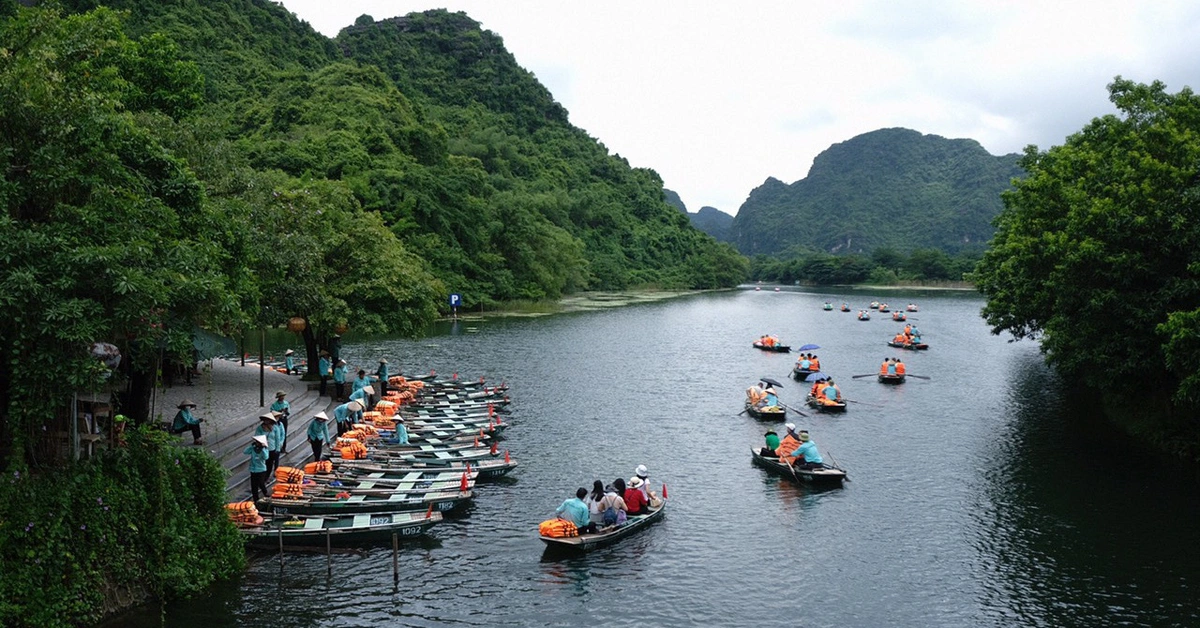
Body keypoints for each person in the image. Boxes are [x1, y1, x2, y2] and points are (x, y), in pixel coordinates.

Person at [244, 435, 270, 502]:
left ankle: (266, 494)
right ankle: (256, 500)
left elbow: (266, 457)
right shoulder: (253, 448)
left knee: (261, 483)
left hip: (261, 470)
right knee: (254, 486)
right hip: (253, 470)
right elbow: (245, 452)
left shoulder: (265, 449)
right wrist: (251, 446)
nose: (257, 443)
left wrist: (263, 448)